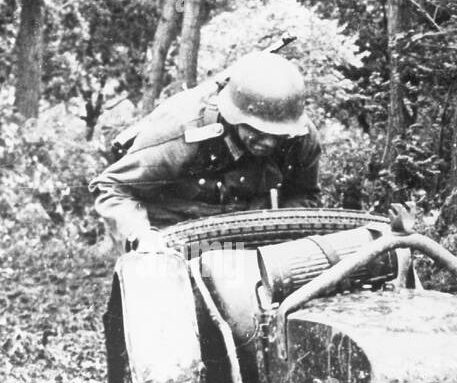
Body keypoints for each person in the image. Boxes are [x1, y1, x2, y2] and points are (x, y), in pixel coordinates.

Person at [92, 51, 322, 251]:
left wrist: (280, 230)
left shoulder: (299, 135)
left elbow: (304, 194)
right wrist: (142, 237)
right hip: (171, 237)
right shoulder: (182, 129)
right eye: (258, 132)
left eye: (277, 135)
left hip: (246, 238)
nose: (269, 143)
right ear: (234, 116)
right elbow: (113, 188)